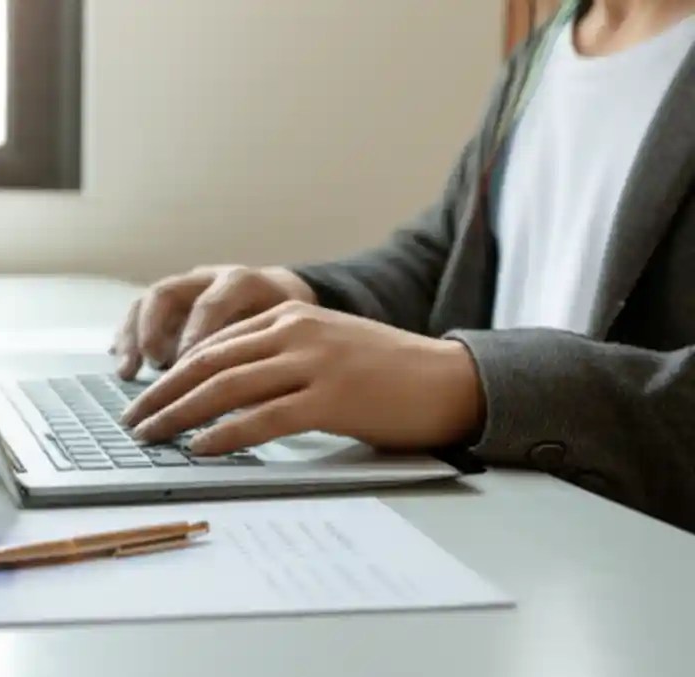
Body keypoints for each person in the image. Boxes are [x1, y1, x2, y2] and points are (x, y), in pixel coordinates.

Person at [113, 0, 695, 531]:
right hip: (508, 528)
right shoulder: (548, 48)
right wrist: (299, 293)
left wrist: (472, 385)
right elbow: (448, 254)